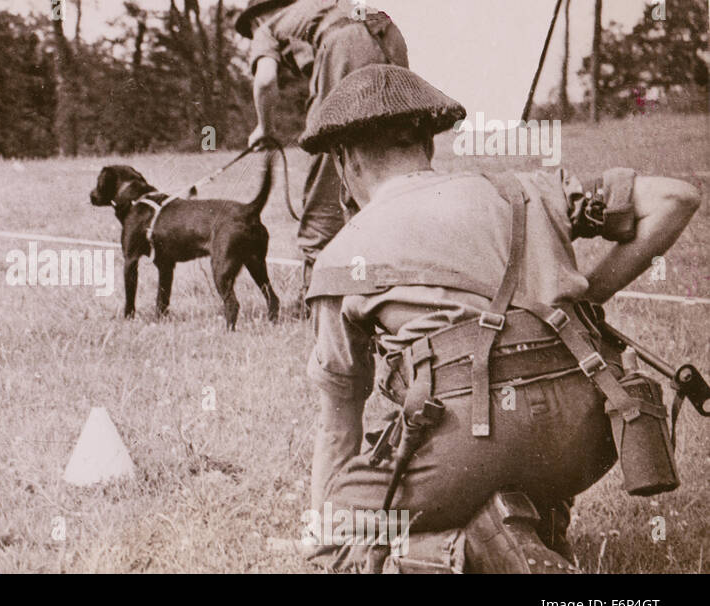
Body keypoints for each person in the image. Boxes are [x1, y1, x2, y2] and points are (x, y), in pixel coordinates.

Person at [297, 64, 700, 573]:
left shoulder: (340, 256)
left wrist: (325, 534)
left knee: (342, 535)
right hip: (590, 434)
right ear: (426, 141)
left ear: (344, 159)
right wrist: (589, 294)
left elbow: (339, 419)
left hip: (470, 443)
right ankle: (530, 521)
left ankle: (468, 547)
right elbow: (676, 198)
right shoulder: (526, 189)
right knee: (507, 456)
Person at [236, 0, 409, 313]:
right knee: (390, 154)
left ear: (257, 19)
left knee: (327, 157)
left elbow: (265, 80)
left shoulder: (267, 27)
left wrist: (264, 127)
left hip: (346, 41)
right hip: (388, 32)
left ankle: (318, 300)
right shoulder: (311, 11)